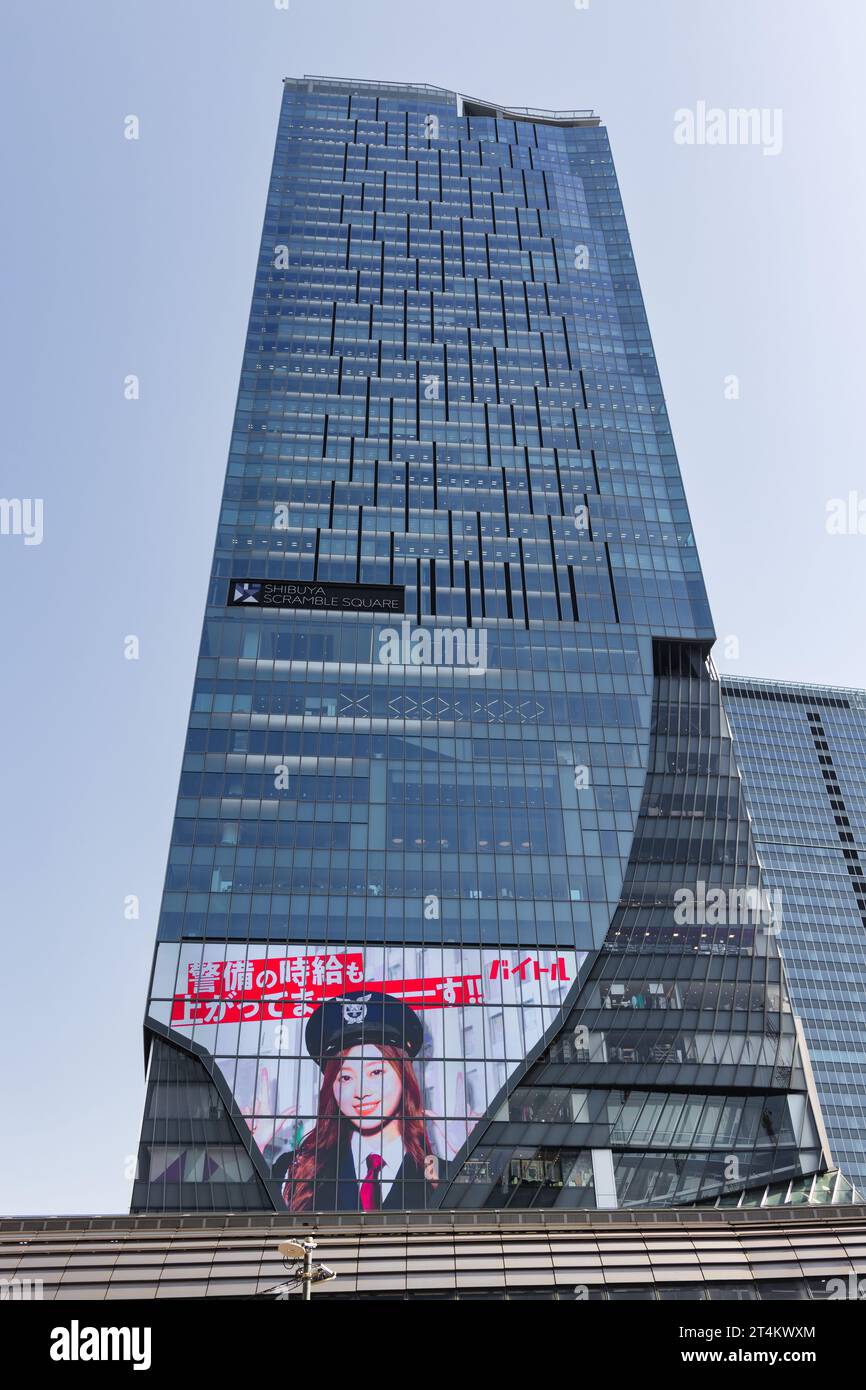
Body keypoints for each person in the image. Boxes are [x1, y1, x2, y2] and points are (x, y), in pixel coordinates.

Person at [272, 991, 446, 1211]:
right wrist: (249, 1150)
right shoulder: (295, 1172)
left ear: (404, 1076)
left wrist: (469, 1159)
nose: (361, 1091)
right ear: (332, 1088)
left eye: (375, 1072)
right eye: (345, 1077)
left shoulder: (440, 1174)